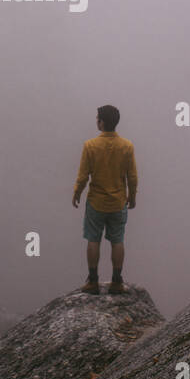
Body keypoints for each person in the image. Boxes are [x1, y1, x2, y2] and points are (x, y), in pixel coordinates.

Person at [71, 104, 138, 294]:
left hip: (96, 203)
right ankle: (117, 281)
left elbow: (83, 175)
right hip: (118, 202)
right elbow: (132, 176)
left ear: (101, 122)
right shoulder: (127, 146)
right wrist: (132, 197)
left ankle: (93, 281)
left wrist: (77, 192)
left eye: (97, 118)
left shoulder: (90, 146)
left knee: (93, 240)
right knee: (117, 240)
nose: (96, 121)